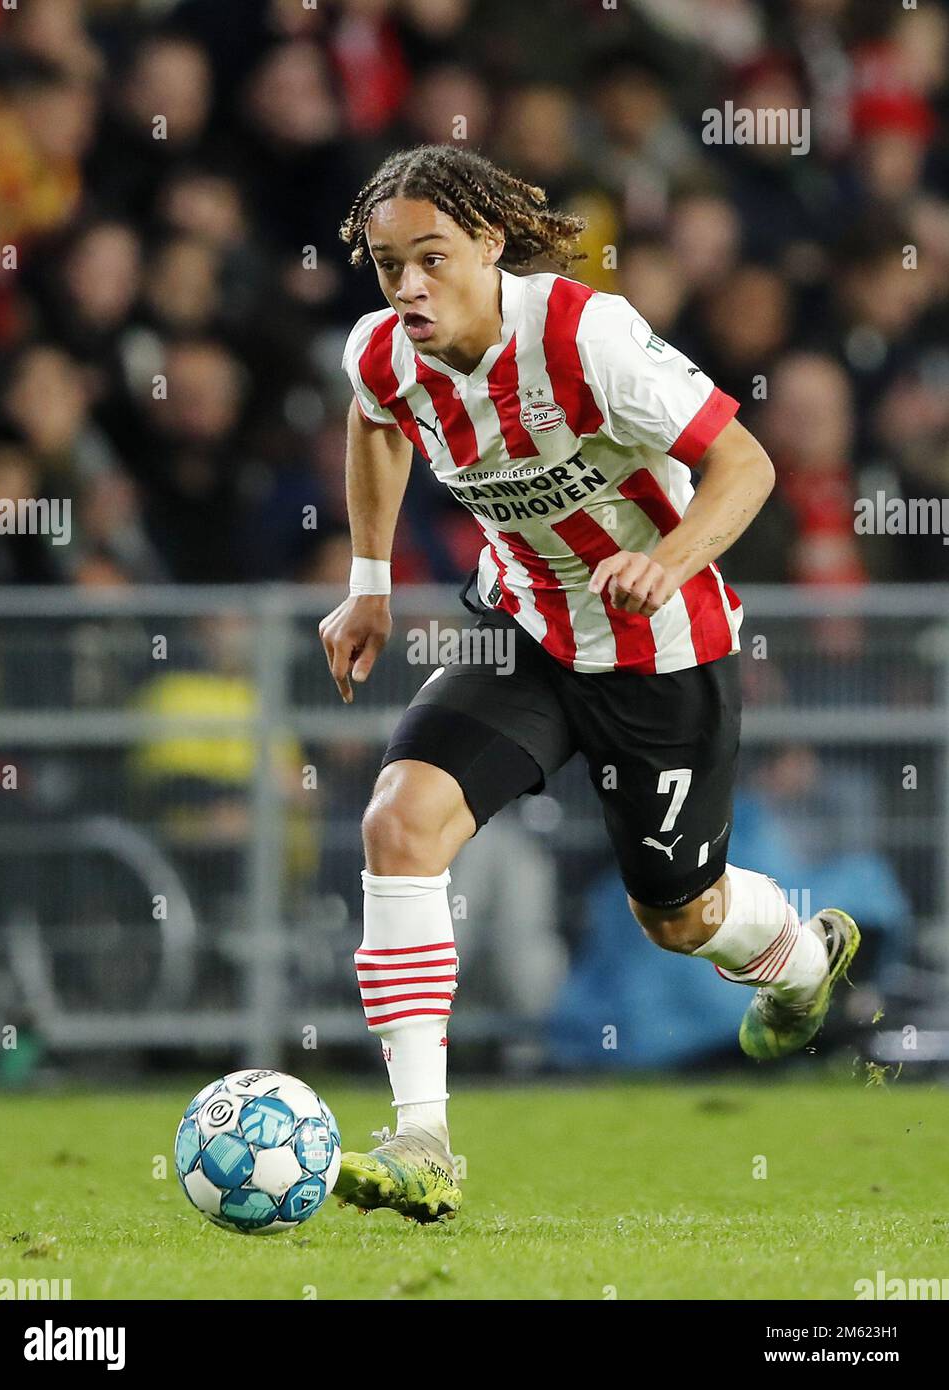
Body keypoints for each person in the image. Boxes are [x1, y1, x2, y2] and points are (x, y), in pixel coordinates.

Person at [318, 144, 860, 1223]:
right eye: (387, 268)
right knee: (399, 820)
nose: (409, 289)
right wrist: (369, 581)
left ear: (487, 241)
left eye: (431, 259)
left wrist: (670, 560)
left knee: (677, 912)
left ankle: (803, 955)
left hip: (660, 644)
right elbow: (376, 423)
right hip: (526, 628)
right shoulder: (385, 354)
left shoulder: (584, 335)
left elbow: (744, 462)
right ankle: (422, 1137)